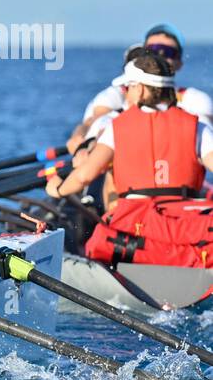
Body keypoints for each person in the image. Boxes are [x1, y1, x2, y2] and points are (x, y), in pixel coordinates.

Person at [48, 50, 213, 266]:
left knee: (99, 234)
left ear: (142, 89)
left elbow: (84, 176)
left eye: (129, 87)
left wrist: (58, 189)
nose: (126, 94)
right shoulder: (198, 127)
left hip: (133, 227)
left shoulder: (116, 128)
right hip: (186, 227)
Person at [67, 23, 212, 153]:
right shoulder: (117, 94)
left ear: (179, 62)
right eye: (153, 50)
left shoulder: (195, 100)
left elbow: (206, 131)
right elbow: (95, 121)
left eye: (167, 52)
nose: (159, 56)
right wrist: (80, 141)